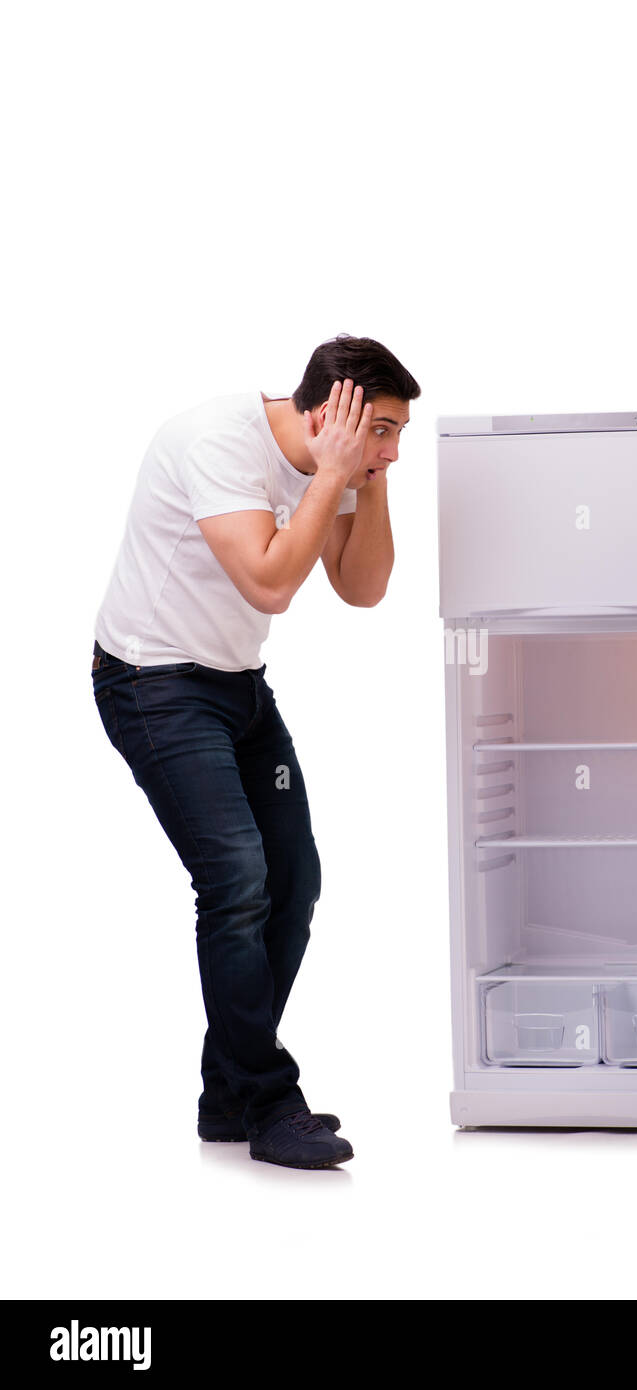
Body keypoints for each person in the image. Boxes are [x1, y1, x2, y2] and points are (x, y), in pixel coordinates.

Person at [90, 333, 420, 1170]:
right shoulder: (218, 443)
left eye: (396, 435)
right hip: (150, 682)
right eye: (380, 429)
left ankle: (227, 1096)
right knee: (236, 877)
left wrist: (360, 477)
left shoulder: (340, 463)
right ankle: (271, 1103)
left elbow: (363, 588)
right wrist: (341, 473)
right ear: (329, 410)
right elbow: (271, 582)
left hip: (237, 686)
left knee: (294, 880)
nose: (390, 449)